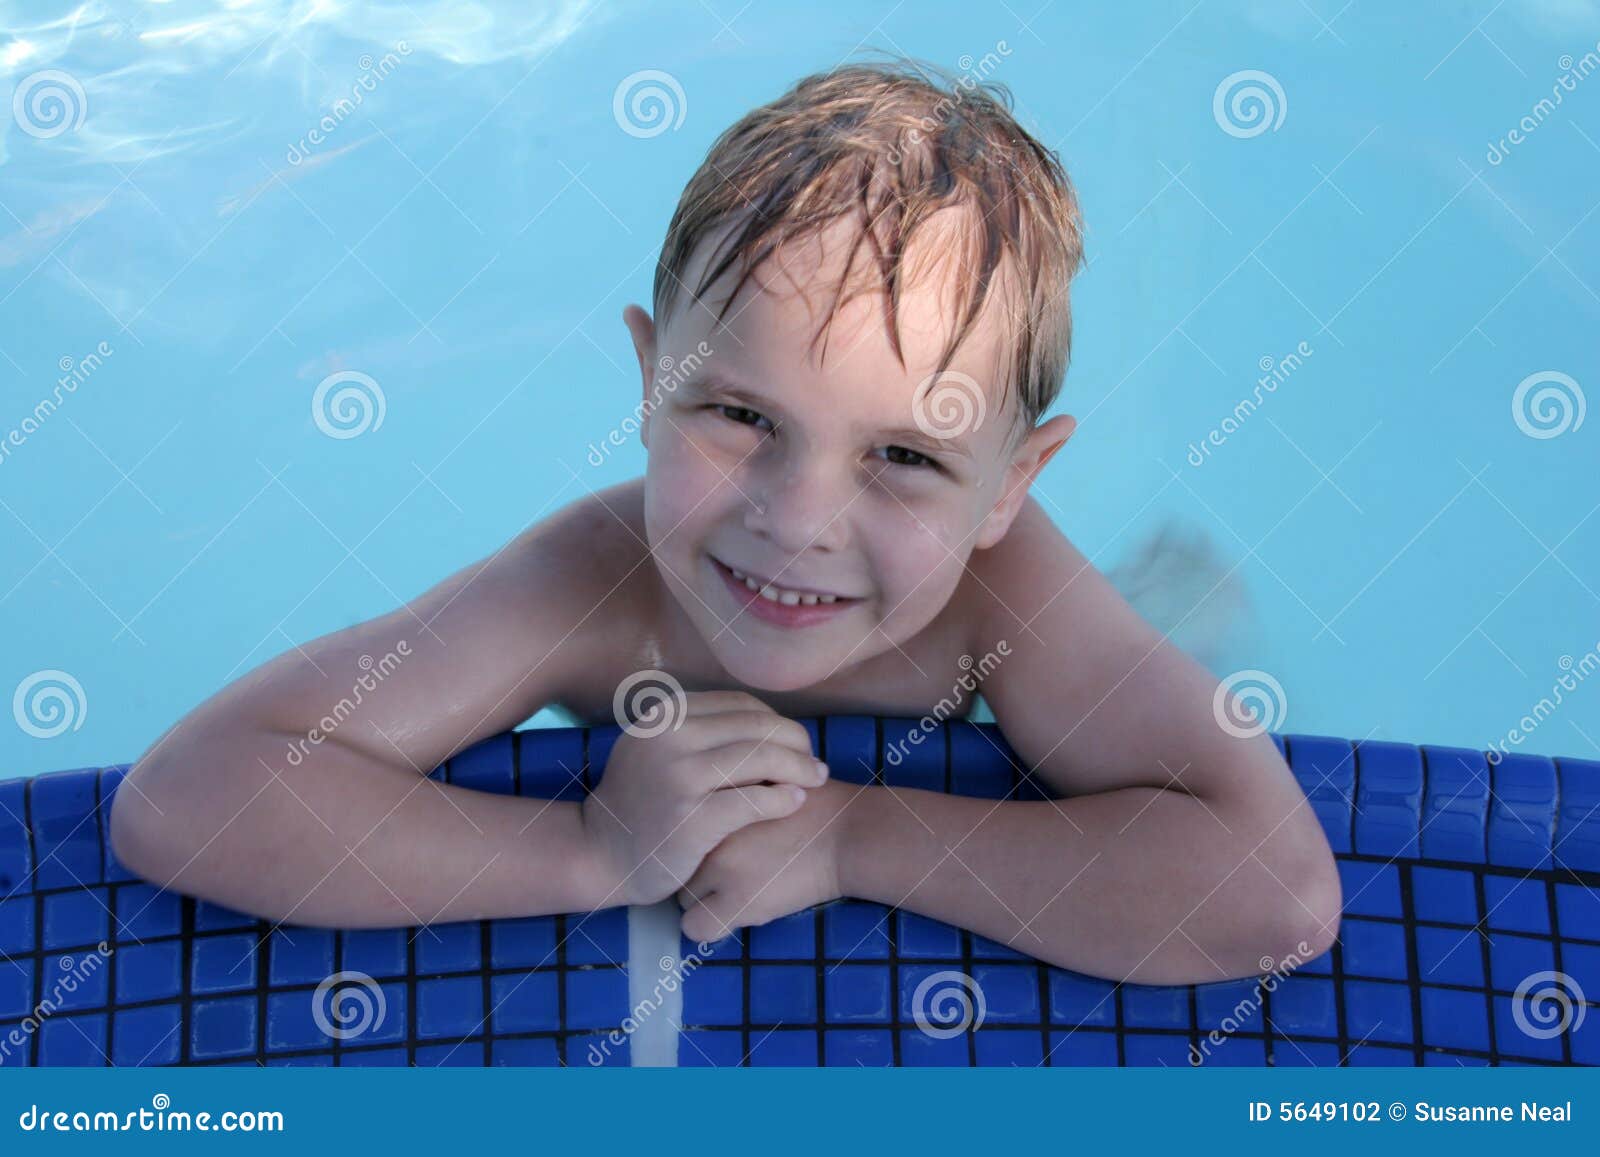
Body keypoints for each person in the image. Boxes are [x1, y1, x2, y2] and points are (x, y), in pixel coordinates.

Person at [111, 55, 1339, 986]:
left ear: (1011, 486)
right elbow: (192, 797)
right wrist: (591, 852)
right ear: (650, 381)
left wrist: (859, 835)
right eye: (742, 417)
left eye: (904, 455)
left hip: (1030, 680)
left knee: (1149, 671)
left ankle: (1176, 602)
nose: (795, 519)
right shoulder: (595, 582)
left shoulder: (1003, 594)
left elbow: (1271, 891)